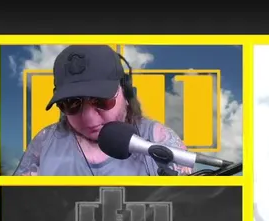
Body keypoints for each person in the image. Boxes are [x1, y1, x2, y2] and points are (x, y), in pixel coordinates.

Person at [13, 45, 192, 177]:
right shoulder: (44, 142)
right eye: (71, 104)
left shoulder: (158, 139)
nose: (89, 118)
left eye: (100, 100)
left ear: (126, 91)